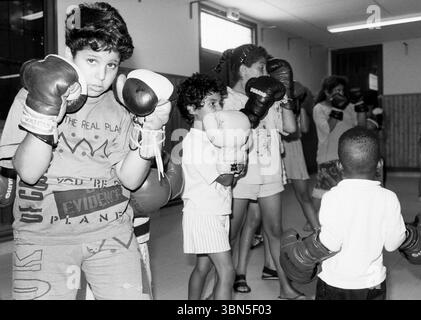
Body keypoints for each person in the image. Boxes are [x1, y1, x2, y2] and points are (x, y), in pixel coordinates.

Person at [0, 2, 172, 300]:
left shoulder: (120, 105)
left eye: (111, 65)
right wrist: (44, 110)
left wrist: (150, 132)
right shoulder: (32, 93)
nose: (101, 76)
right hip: (43, 238)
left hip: (112, 235)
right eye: (91, 61)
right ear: (70, 55)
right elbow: (28, 171)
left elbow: (129, 180)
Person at [215, 45, 305, 300]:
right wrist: (253, 108)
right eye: (261, 68)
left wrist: (285, 96)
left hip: (271, 172)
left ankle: (286, 288)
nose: (267, 73)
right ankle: (217, 289)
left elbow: (291, 128)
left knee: (274, 231)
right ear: (244, 70)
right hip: (242, 175)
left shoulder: (273, 95)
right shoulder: (227, 99)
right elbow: (225, 137)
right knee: (229, 235)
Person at [177, 72, 249, 300]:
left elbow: (232, 176)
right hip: (204, 213)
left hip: (214, 209)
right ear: (192, 108)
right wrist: (237, 159)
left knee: (203, 268)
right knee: (227, 272)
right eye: (211, 103)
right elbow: (227, 179)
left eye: (219, 102)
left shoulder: (213, 139)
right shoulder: (195, 143)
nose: (218, 108)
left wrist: (236, 164)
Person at [315, 126, 407, 300]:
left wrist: (307, 250)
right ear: (380, 164)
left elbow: (331, 244)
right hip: (372, 284)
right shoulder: (389, 198)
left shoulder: (331, 197)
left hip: (334, 282)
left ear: (338, 165)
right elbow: (392, 244)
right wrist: (408, 234)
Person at [311, 76, 367, 211]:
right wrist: (336, 109)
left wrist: (360, 105)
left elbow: (361, 126)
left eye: (342, 90)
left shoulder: (348, 107)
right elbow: (326, 129)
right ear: (327, 92)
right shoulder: (319, 108)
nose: (341, 93)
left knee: (347, 189)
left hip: (348, 155)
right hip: (328, 155)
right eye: (337, 90)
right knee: (322, 189)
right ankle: (311, 220)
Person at [282, 81, 320, 232]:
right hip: (272, 150)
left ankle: (317, 231)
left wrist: (301, 104)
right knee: (268, 199)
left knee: (303, 195)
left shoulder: (296, 103)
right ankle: (260, 233)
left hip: (293, 149)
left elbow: (303, 128)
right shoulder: (271, 101)